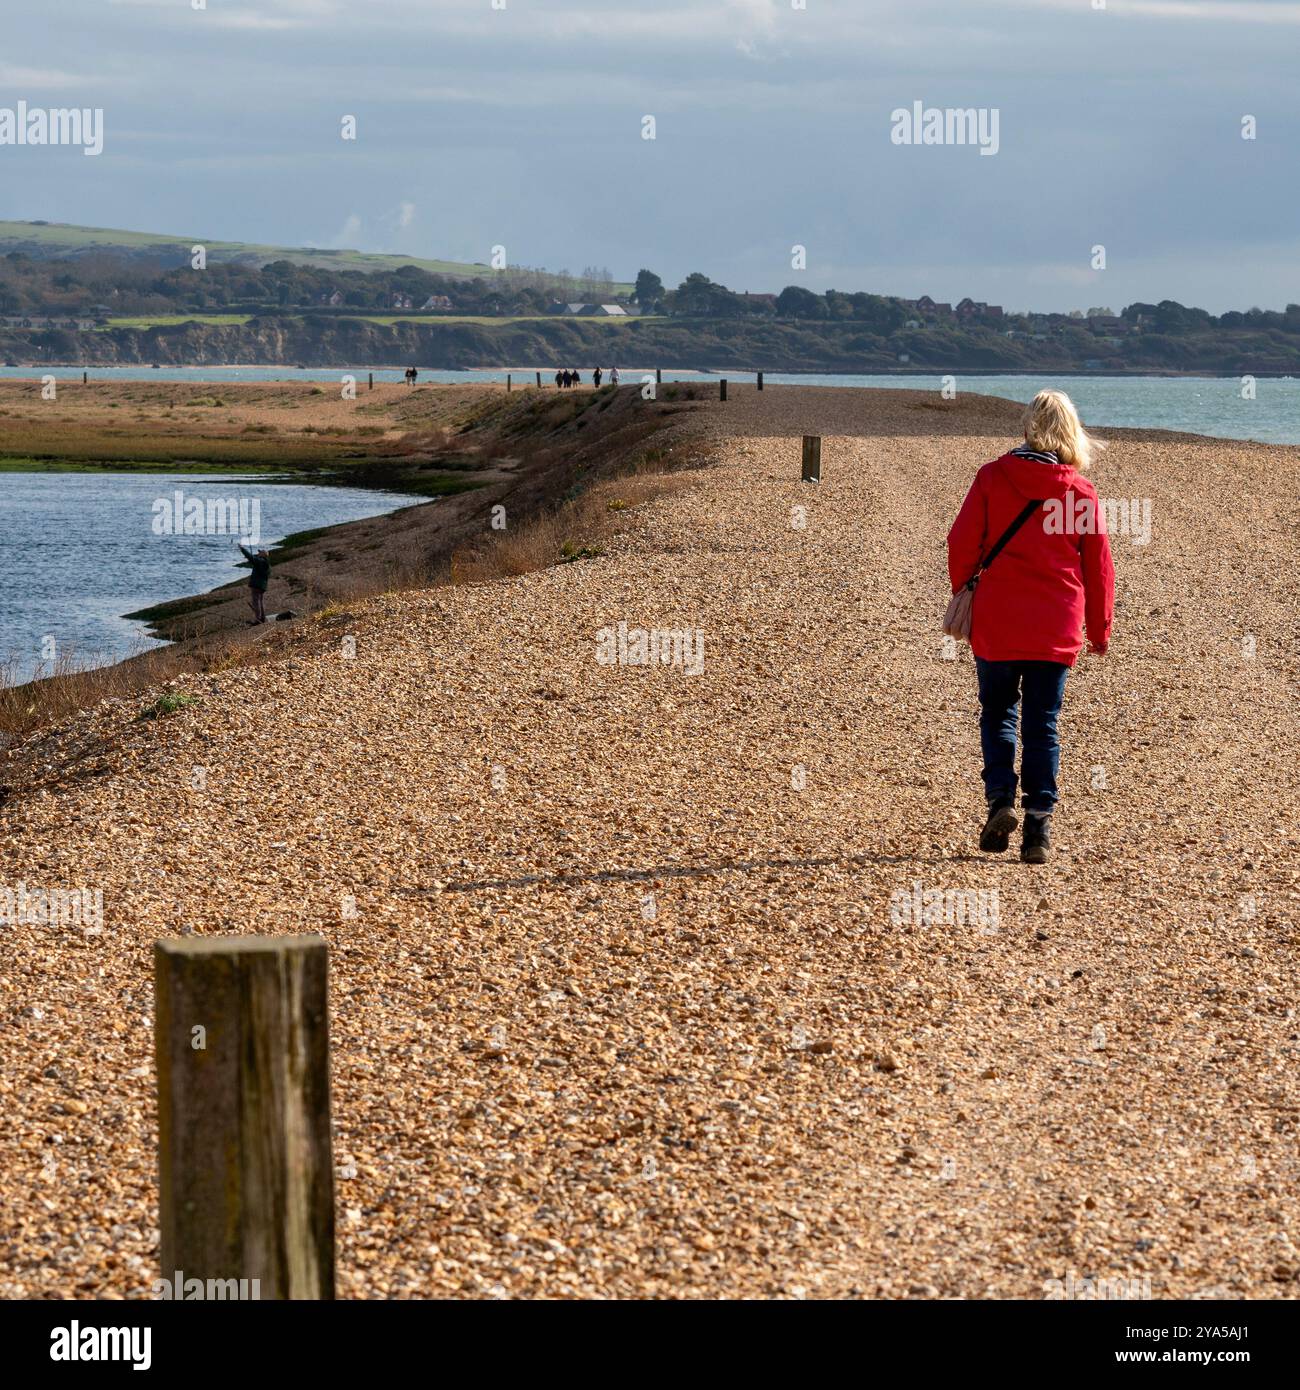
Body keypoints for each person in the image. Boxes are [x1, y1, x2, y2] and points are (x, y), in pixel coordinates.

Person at [946, 389, 1114, 864]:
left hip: (999, 621)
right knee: (1043, 724)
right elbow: (1099, 567)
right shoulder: (1079, 492)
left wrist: (965, 588)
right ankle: (1038, 829)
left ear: (1026, 428)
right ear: (1071, 434)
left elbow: (960, 542)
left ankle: (1000, 801)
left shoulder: (993, 478)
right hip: (1055, 626)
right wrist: (1099, 629)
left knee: (998, 712)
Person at [237, 542, 272, 625]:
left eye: (260, 552)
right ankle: (262, 618)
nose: (258, 553)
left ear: (263, 555)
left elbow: (251, 557)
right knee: (260, 602)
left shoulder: (261, 562)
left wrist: (242, 548)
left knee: (256, 602)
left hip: (257, 585)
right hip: (262, 586)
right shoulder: (266, 564)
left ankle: (258, 620)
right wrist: (252, 560)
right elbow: (253, 560)